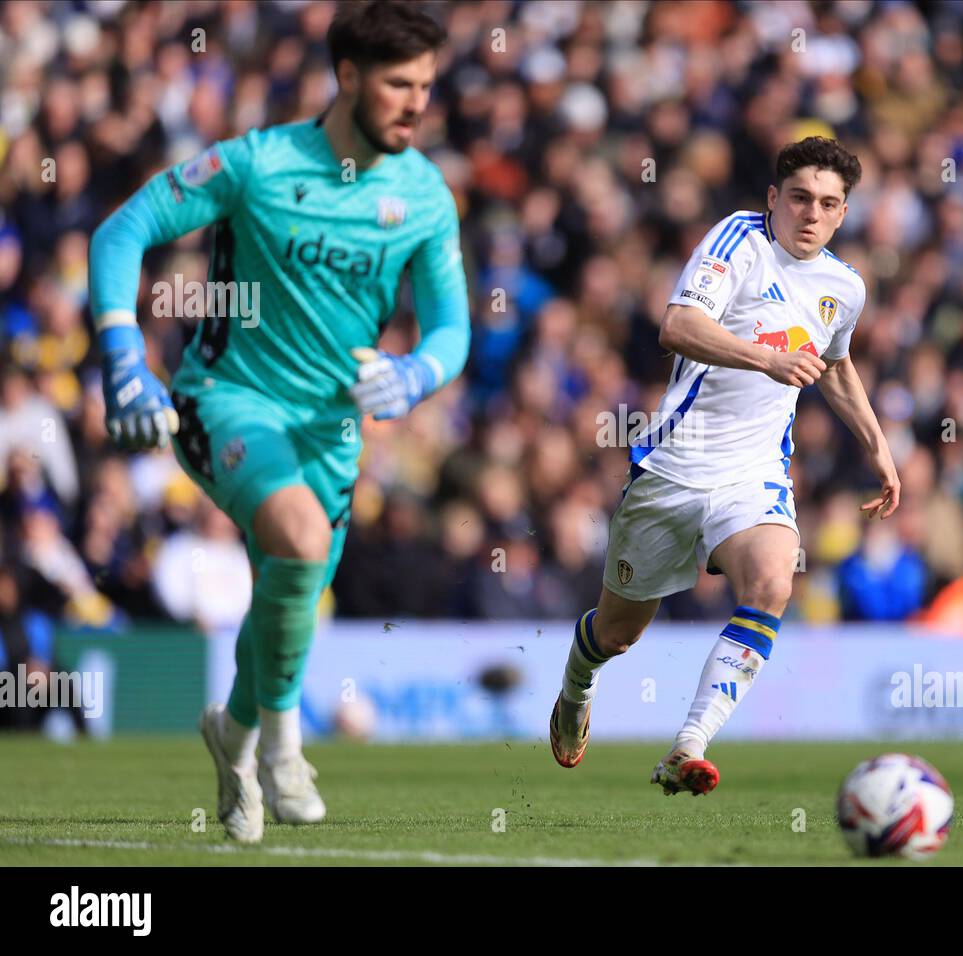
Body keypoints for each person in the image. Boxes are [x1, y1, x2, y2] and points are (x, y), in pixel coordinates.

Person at [87, 1, 469, 842]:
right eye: (399, 85)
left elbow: (452, 327)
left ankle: (235, 732)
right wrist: (122, 358)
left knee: (287, 596)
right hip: (227, 399)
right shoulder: (258, 163)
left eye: (427, 86)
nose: (416, 103)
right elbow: (125, 231)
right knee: (296, 542)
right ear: (347, 78)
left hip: (331, 434)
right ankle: (284, 748)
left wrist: (417, 372)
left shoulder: (424, 194)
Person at [549, 137, 900, 794]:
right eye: (799, 198)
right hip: (674, 470)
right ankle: (576, 686)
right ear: (774, 199)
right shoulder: (738, 240)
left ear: (844, 212)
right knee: (619, 633)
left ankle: (688, 746)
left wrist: (878, 447)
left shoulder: (844, 286)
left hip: (754, 476)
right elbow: (678, 325)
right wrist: (766, 359)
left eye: (828, 204)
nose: (810, 214)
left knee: (772, 583)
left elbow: (838, 364)